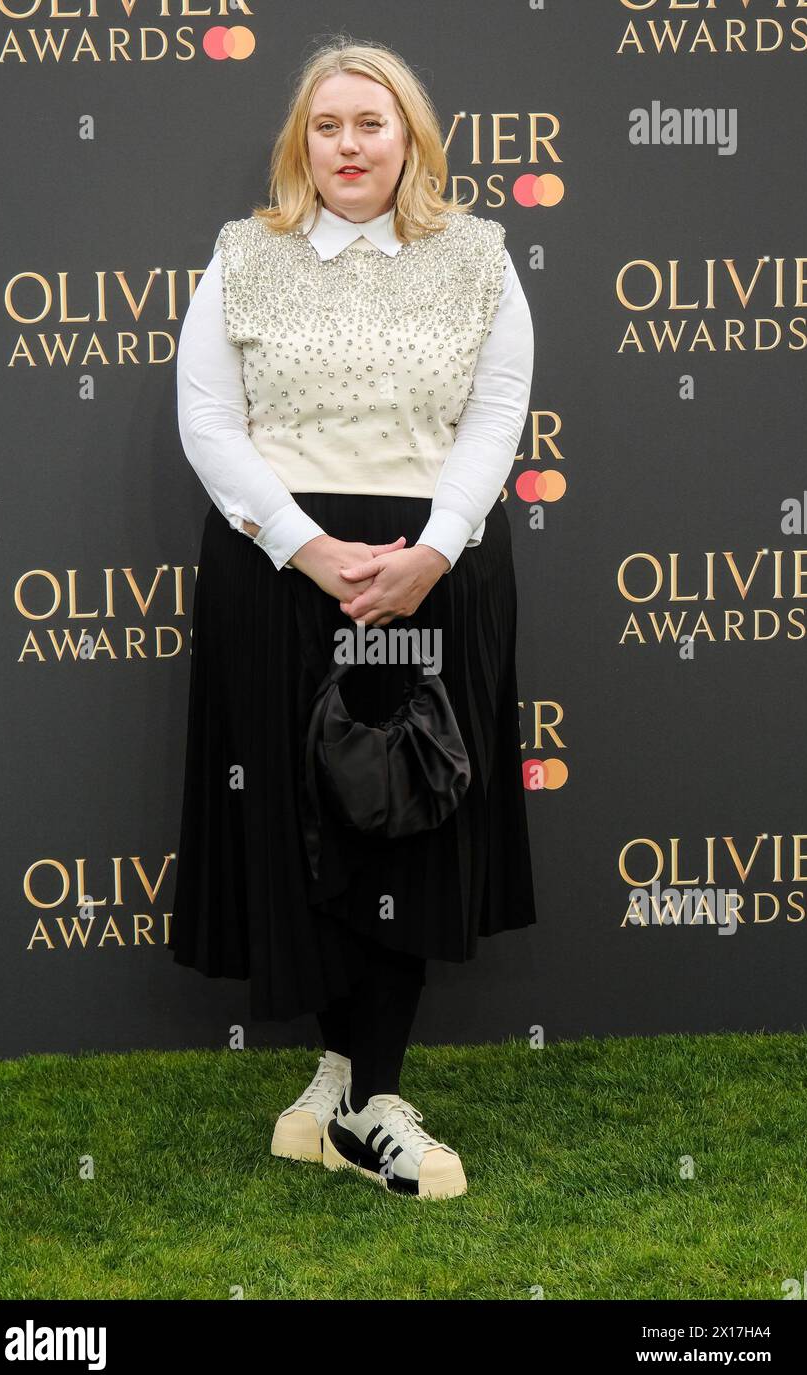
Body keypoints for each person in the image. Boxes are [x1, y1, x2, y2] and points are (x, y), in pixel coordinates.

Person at [168, 38, 536, 1201]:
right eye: (325, 127)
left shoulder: (476, 256)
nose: (347, 146)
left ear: (409, 138)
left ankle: (360, 1094)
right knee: (299, 818)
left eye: (369, 124)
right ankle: (351, 1087)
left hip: (432, 571)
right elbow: (208, 423)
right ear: (300, 145)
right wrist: (308, 548)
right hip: (278, 573)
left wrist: (429, 553)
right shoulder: (243, 256)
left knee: (403, 814)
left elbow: (497, 411)